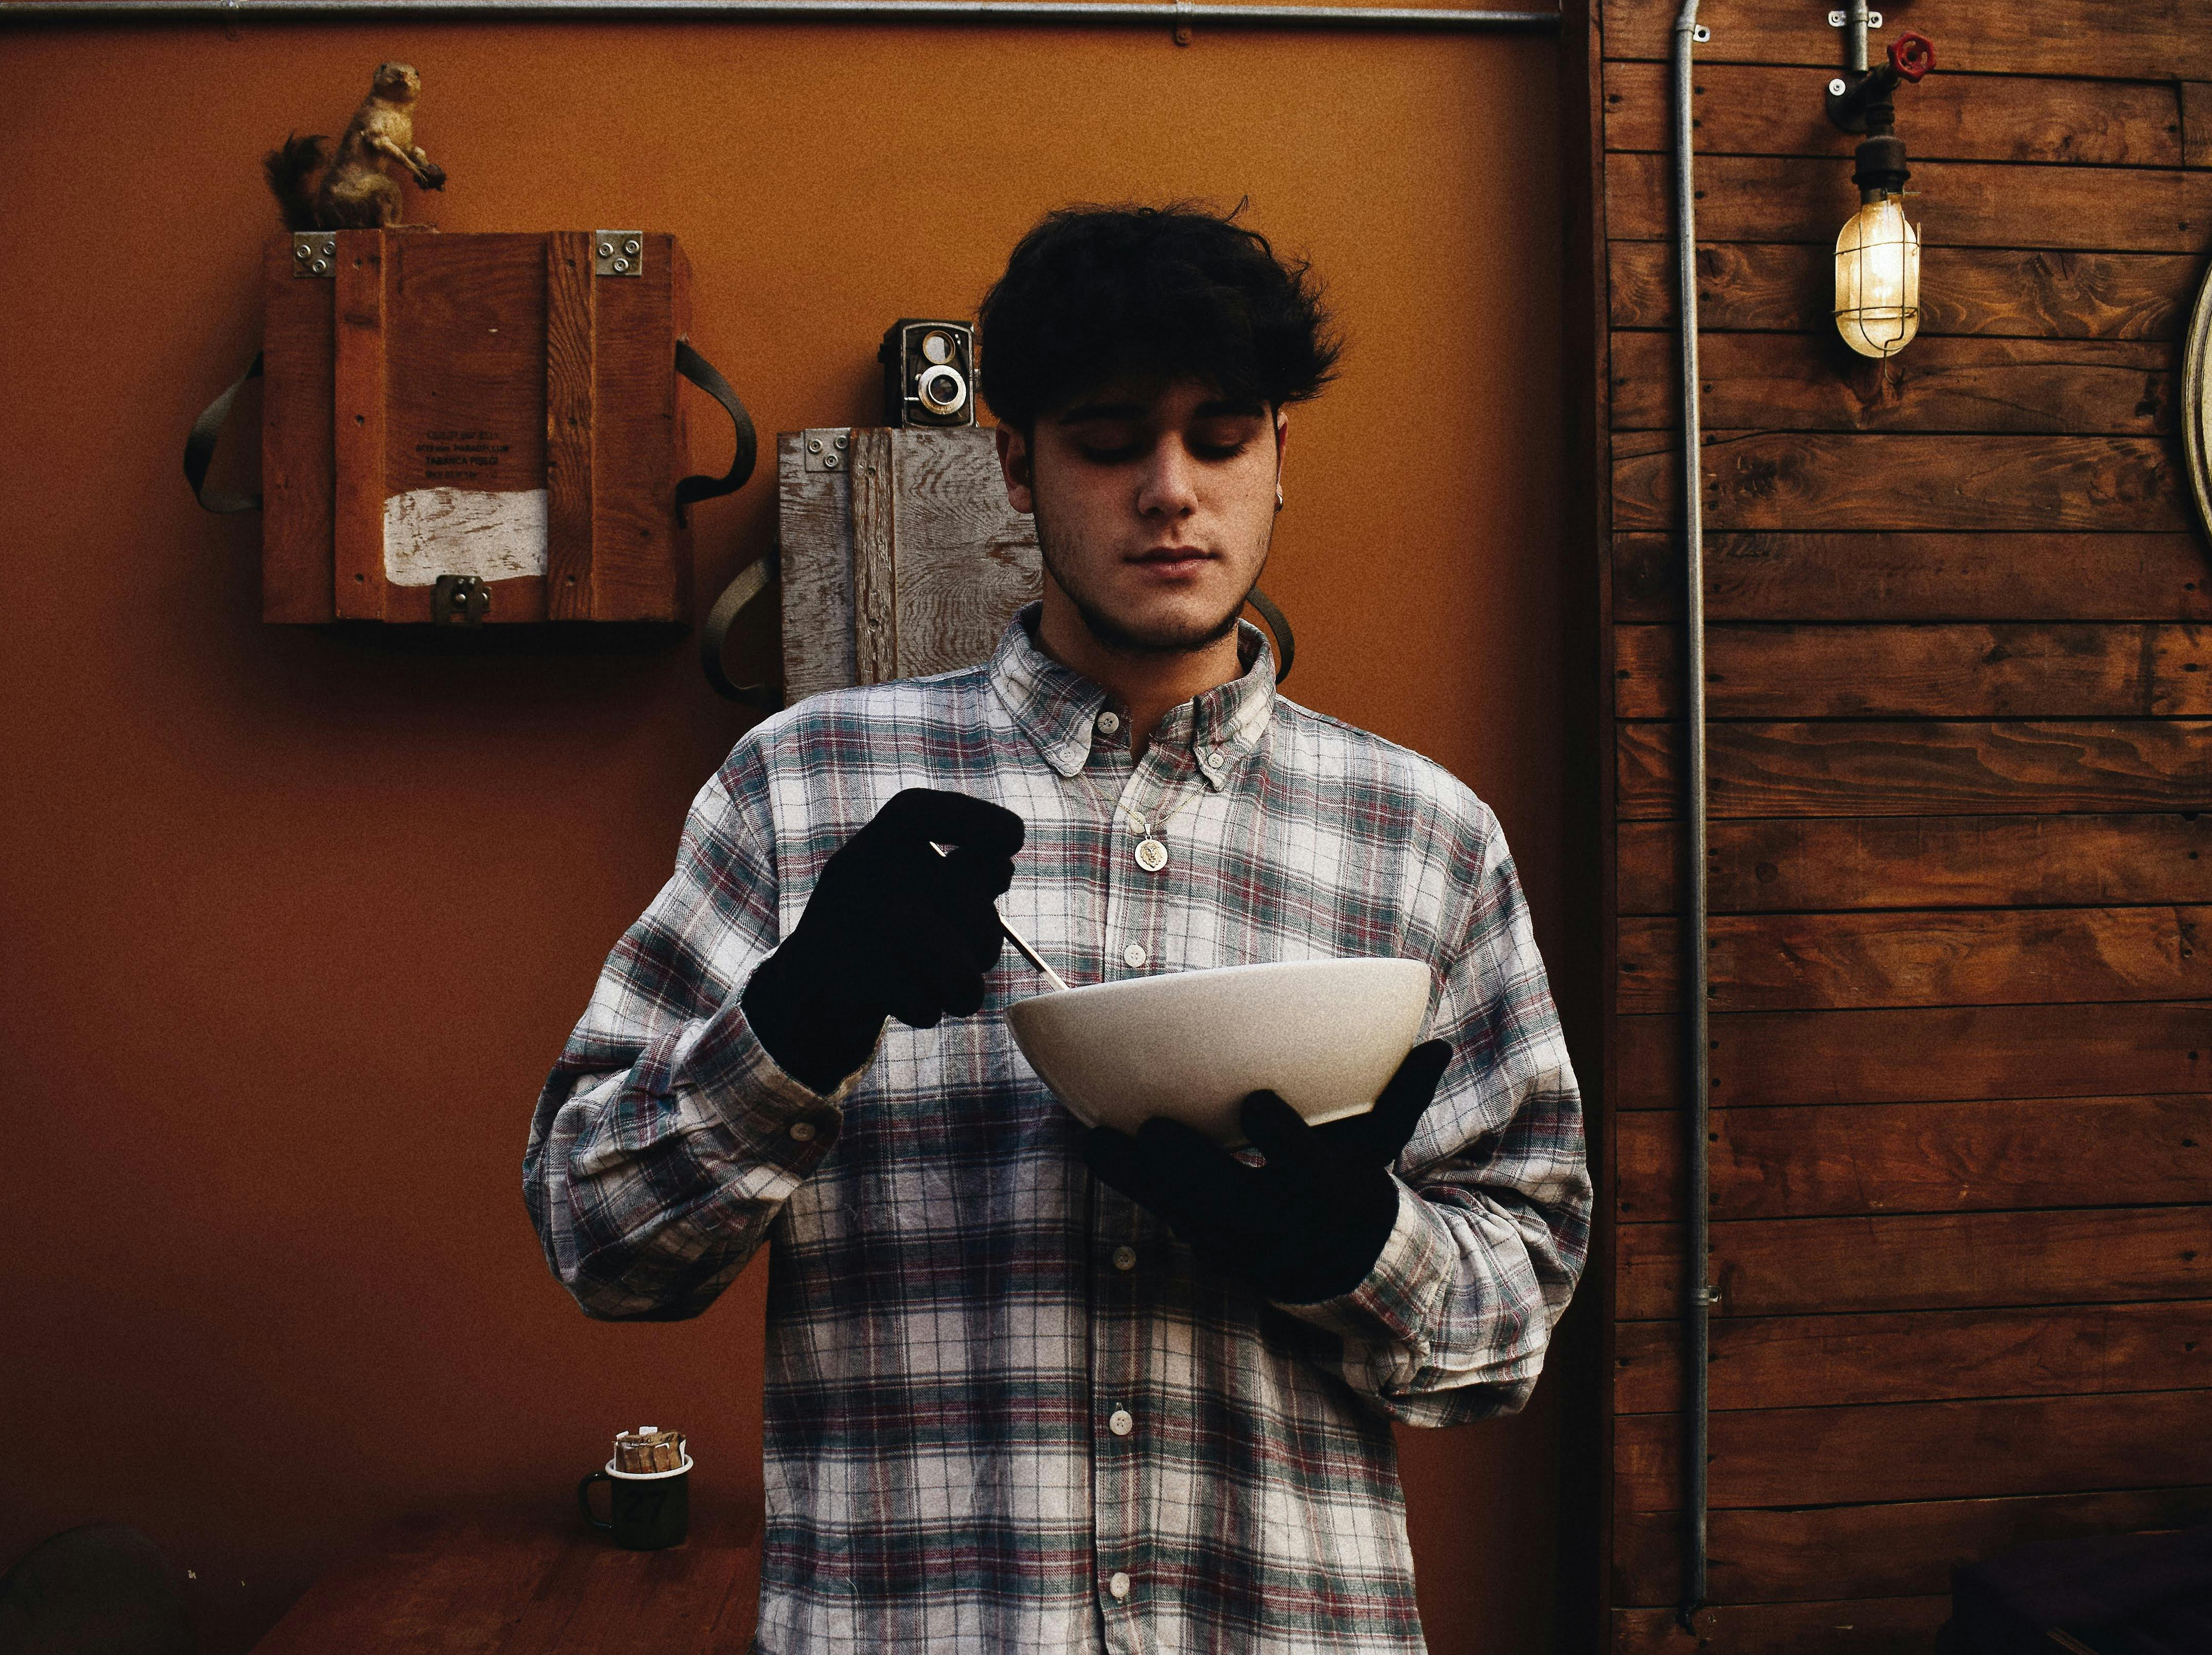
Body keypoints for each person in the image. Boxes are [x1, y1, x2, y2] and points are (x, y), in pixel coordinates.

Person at [525, 203, 1590, 1653]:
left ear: (1281, 452)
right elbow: (599, 1241)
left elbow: (1515, 1320)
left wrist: (1360, 1248)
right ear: (1017, 464)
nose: (1171, 492)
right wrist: (795, 1022)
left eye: (1222, 437)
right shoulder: (804, 786)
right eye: (1107, 441)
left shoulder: (1426, 836)